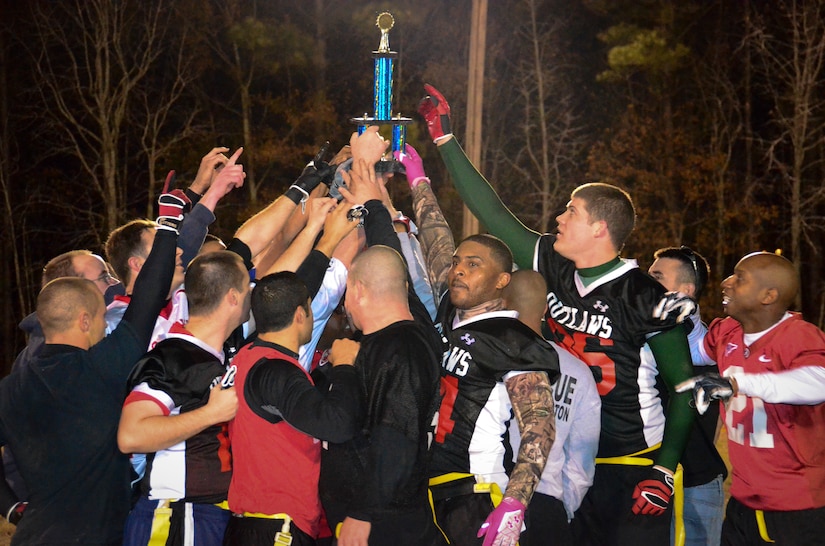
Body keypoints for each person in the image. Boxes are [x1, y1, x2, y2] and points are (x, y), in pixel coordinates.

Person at [419, 84, 695, 545]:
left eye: (571, 211)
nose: (560, 218)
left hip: (633, 461)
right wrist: (445, 140)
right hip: (571, 455)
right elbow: (492, 211)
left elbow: (685, 387)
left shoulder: (646, 295)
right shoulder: (553, 263)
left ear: (599, 227)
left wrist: (665, 469)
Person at [395, 145, 559, 546]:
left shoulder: (515, 340)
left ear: (502, 281)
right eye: (458, 262)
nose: (459, 270)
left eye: (474, 264)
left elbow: (539, 429)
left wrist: (515, 504)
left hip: (477, 494)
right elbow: (435, 241)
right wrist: (418, 180)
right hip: (429, 490)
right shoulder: (448, 310)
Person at [0, 190, 184, 544]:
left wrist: (10, 507)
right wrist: (169, 223)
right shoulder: (101, 367)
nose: (106, 326)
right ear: (84, 320)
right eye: (102, 317)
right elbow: (147, 297)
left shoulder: (11, 387)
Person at [317, 154, 446, 545]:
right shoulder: (413, 327)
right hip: (370, 516)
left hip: (382, 524)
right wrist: (372, 202)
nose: (344, 305)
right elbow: (390, 253)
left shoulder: (401, 347)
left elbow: (397, 435)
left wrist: (363, 512)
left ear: (357, 290)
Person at [676, 252, 825, 545]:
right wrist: (689, 316)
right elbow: (697, 353)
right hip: (744, 500)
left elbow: (819, 381)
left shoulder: (799, 336)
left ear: (768, 295)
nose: (726, 283)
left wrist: (739, 383)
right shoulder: (728, 332)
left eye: (740, 278)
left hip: (797, 505)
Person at [117, 251, 250, 546]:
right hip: (178, 516)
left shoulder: (216, 354)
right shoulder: (173, 356)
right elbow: (131, 435)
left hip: (208, 516)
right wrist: (211, 414)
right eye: (246, 287)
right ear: (232, 297)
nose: (250, 294)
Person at [224, 270, 364, 546]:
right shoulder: (275, 370)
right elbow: (337, 425)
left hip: (259, 524)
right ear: (300, 314)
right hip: (275, 527)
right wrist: (346, 366)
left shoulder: (249, 356)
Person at [502, 270, 601, 546]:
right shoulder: (578, 371)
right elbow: (582, 458)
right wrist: (562, 506)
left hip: (492, 495)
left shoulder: (489, 358)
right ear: (545, 308)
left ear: (501, 302)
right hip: (547, 505)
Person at [648, 247, 727, 546]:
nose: (648, 281)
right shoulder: (650, 333)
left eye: (657, 276)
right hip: (652, 479)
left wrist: (691, 313)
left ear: (686, 290)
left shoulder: (706, 343)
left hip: (696, 485)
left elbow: (698, 339)